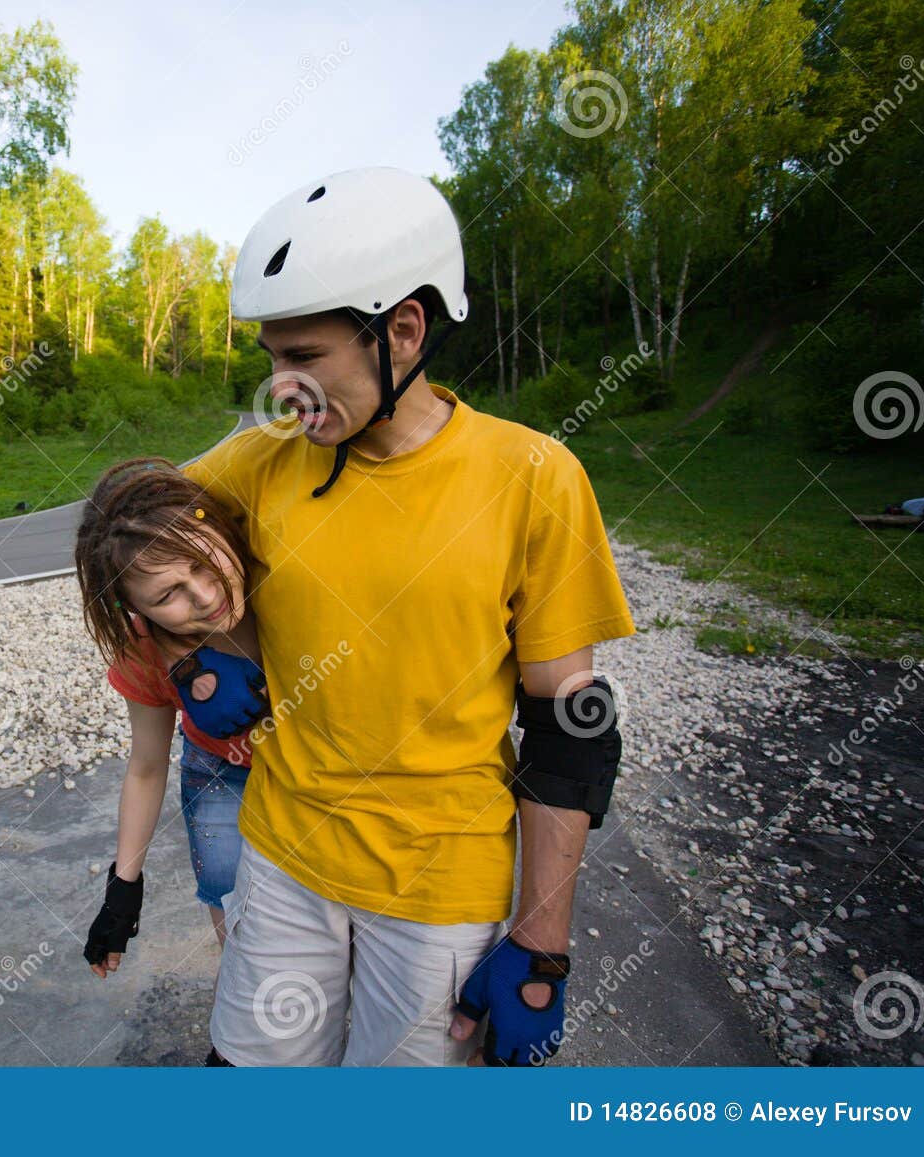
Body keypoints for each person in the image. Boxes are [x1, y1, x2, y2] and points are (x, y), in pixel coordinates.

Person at [186, 167, 636, 1067]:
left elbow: (570, 733)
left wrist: (542, 943)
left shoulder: (533, 476)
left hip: (440, 886)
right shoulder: (262, 455)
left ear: (404, 330)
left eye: (305, 357)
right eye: (272, 357)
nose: (282, 386)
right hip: (282, 855)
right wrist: (203, 647)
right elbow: (127, 537)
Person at [73, 458, 266, 975]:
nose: (205, 596)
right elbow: (146, 765)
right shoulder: (145, 649)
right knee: (245, 937)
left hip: (317, 767)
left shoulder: (286, 581)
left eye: (203, 563)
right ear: (135, 610)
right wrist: (124, 887)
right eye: (167, 595)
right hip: (222, 776)